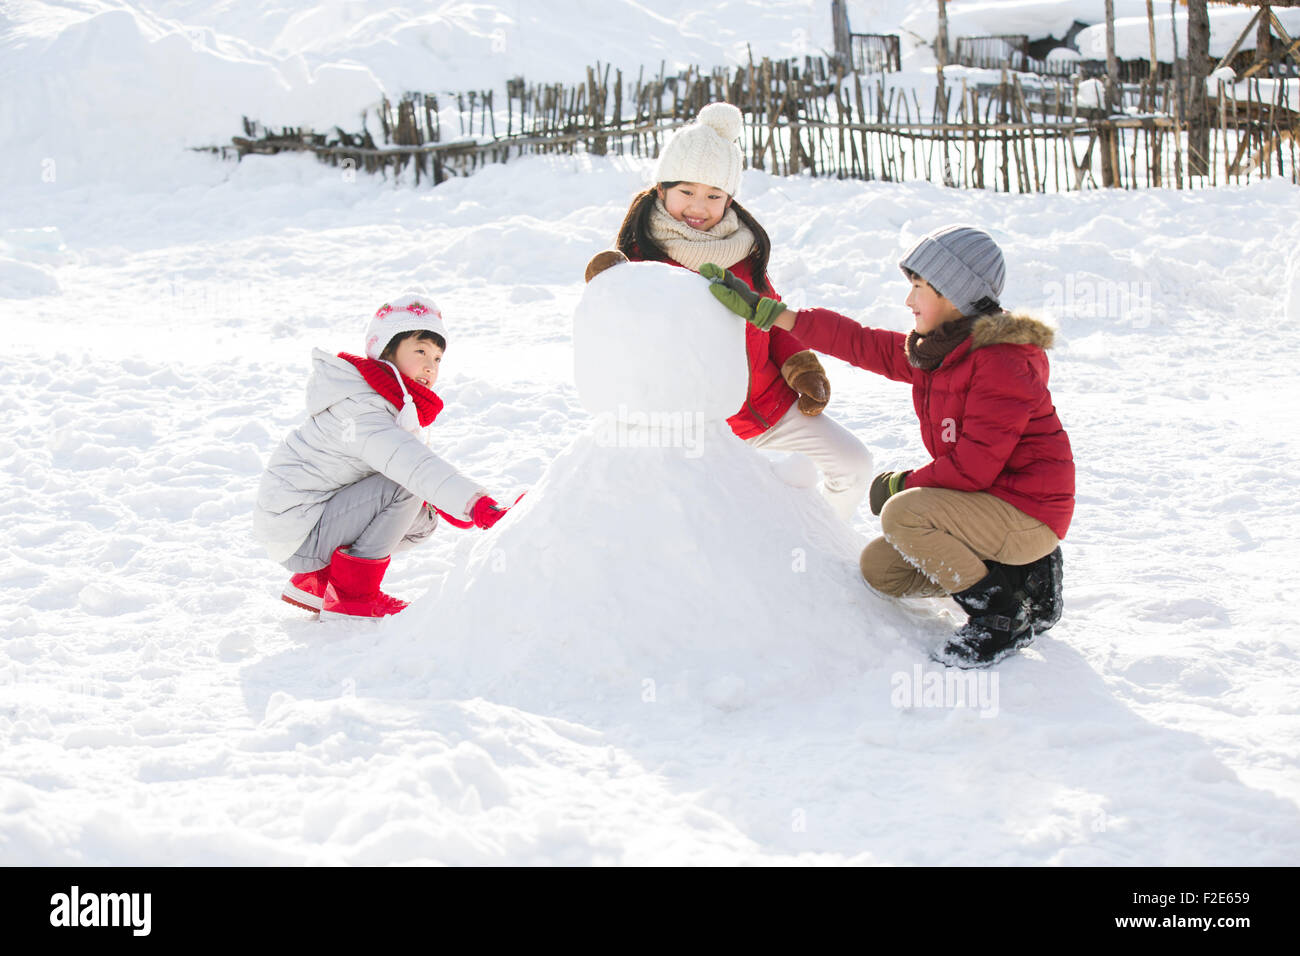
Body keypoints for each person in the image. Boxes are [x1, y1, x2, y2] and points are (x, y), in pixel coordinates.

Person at [702, 225, 1074, 667]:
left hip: (1028, 512)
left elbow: (973, 468)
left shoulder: (1001, 362)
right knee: (882, 570)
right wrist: (773, 314)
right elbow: (861, 342)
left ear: (954, 294)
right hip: (987, 506)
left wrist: (901, 484)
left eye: (919, 287)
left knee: (906, 513)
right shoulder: (943, 349)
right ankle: (1026, 582)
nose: (909, 301)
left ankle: (1002, 614)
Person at [613, 101, 874, 523]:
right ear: (661, 189)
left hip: (768, 404)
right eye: (687, 192)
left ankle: (824, 538)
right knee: (710, 517)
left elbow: (770, 316)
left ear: (729, 198)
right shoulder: (642, 261)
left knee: (854, 464)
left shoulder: (740, 248)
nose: (699, 207)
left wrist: (798, 363)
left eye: (713, 195)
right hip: (695, 427)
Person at [253, 293, 514, 619]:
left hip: (307, 522)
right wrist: (477, 506)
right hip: (298, 530)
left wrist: (453, 508)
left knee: (423, 520)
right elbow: (411, 467)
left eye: (437, 358)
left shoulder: (388, 403)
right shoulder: (364, 408)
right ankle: (352, 595)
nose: (430, 366)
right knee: (406, 486)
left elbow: (412, 468)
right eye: (420, 351)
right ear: (387, 352)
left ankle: (318, 582)